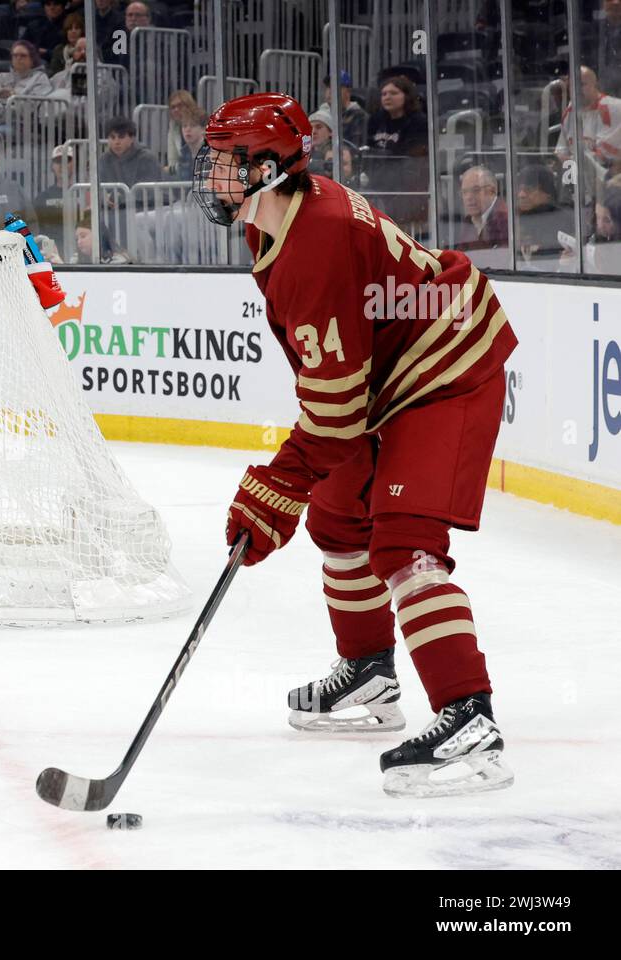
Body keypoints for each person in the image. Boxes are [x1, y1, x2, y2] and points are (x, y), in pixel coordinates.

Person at [194, 93, 517, 798]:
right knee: (338, 516)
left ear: (268, 168)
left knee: (404, 545)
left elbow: (335, 416)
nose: (211, 175)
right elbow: (334, 382)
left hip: (447, 371)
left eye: (225, 162)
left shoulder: (315, 240)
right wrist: (294, 485)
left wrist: (275, 483)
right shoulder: (274, 221)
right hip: (389, 375)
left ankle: (470, 718)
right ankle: (370, 670)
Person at [365, 75, 429, 230]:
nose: (387, 97)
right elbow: (368, 149)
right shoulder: (376, 120)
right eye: (384, 94)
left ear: (406, 96)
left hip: (406, 187)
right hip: (379, 183)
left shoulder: (418, 121)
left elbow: (412, 154)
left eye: (393, 93)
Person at [554, 65, 621, 175]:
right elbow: (561, 152)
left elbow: (605, 160)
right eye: (572, 85)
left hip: (612, 184)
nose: (577, 90)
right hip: (580, 183)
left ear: (595, 85)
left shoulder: (614, 108)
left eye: (582, 84)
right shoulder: (570, 112)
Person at [514, 163, 572, 270]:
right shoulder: (514, 220)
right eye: (519, 189)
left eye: (529, 189)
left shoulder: (566, 223)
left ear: (547, 193)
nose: (521, 195)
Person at [454, 164, 509, 270]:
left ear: (492, 191)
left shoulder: (504, 220)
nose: (469, 197)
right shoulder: (470, 220)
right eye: (465, 192)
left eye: (476, 190)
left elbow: (501, 262)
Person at [99, 115, 161, 191]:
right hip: (112, 202)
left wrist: (117, 198)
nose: (116, 142)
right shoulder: (104, 159)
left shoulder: (147, 158)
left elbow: (147, 193)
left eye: (121, 137)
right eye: (112, 137)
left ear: (132, 138)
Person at [32, 144, 75, 243]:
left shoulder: (83, 193)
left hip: (80, 253)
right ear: (52, 166)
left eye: (66, 160)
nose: (61, 165)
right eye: (58, 161)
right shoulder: (42, 198)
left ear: (73, 164)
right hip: (51, 253)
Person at [319, 70, 369, 148]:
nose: (330, 91)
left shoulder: (359, 116)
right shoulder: (319, 114)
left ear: (348, 91)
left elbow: (355, 147)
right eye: (328, 87)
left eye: (335, 87)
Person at [165, 90, 205, 180]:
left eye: (180, 105)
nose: (176, 109)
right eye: (173, 107)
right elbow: (173, 159)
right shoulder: (173, 127)